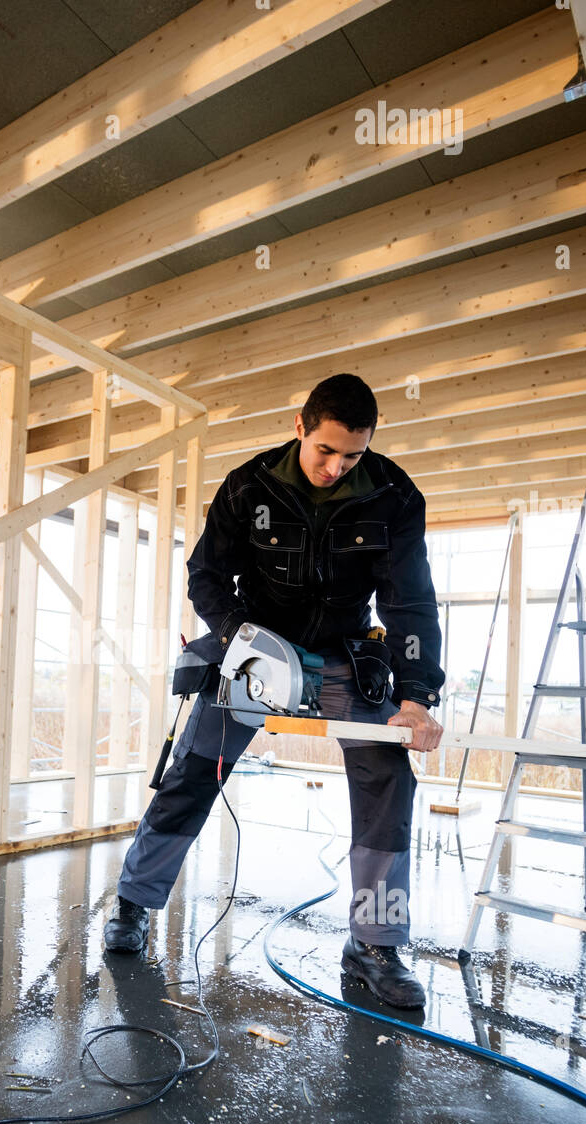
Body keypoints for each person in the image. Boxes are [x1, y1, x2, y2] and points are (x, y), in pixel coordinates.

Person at [103, 374, 445, 1010]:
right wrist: (242, 639)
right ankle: (133, 903)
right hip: (259, 652)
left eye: (353, 455)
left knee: (387, 779)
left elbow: (410, 601)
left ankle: (375, 943)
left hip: (347, 656)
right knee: (194, 770)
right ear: (300, 427)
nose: (337, 466)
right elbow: (206, 577)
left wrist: (416, 695)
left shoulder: (395, 496)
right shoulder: (247, 486)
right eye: (327, 451)